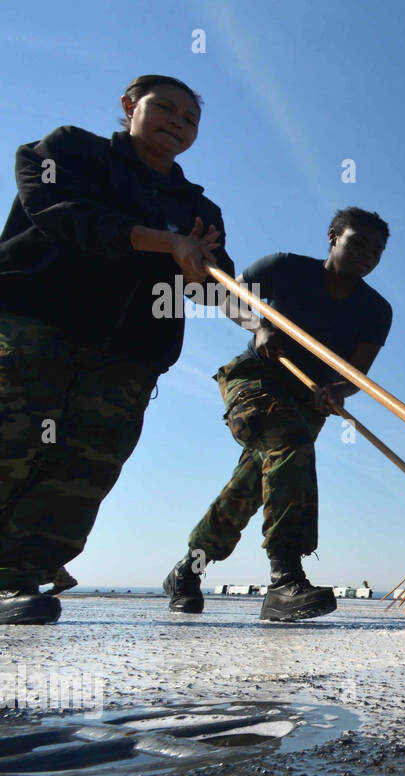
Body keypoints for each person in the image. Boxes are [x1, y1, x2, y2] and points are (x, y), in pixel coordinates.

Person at [0, 75, 234, 624]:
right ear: (129, 105)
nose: (179, 122)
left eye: (190, 119)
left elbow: (208, 280)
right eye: (166, 108)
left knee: (84, 465)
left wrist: (218, 284)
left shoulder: (198, 208)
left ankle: (15, 578)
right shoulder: (67, 151)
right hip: (36, 320)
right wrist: (168, 242)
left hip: (129, 353)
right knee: (12, 435)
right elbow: (60, 213)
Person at [162, 208, 392, 621]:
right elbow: (226, 293)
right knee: (291, 442)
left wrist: (334, 392)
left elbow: (355, 375)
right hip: (254, 380)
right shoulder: (285, 267)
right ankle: (285, 578)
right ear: (333, 237)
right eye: (358, 242)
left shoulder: (377, 310)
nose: (367, 255)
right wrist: (258, 326)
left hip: (307, 400)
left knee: (250, 484)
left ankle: (187, 571)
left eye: (377, 251)